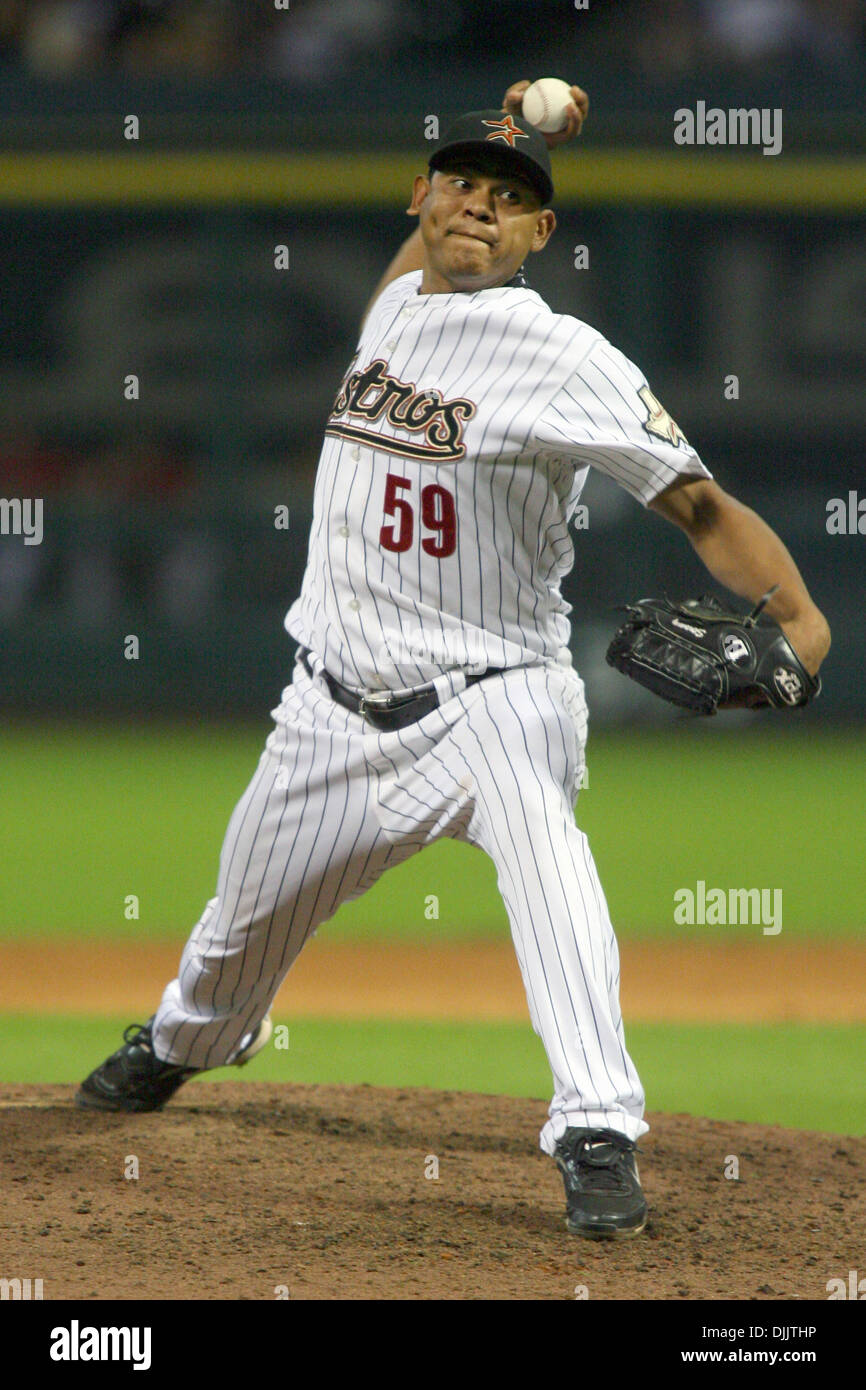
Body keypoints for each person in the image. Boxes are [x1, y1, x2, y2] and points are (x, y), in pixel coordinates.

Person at [76, 81, 830, 1240]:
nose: (480, 206)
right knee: (231, 943)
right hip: (324, 713)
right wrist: (505, 133)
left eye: (509, 199)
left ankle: (596, 1128)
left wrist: (801, 623)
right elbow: (412, 261)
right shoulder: (391, 315)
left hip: (494, 699)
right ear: (419, 199)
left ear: (541, 235)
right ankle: (183, 1041)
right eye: (461, 186)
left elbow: (696, 502)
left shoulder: (564, 354)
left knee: (552, 876)